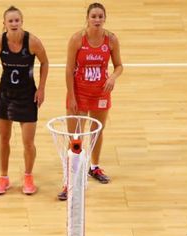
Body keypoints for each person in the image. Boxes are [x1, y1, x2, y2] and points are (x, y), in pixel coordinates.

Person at [0, 5, 49, 196]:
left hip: (27, 96)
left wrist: (42, 88)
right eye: (10, 21)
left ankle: (28, 176)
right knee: (4, 138)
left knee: (28, 141)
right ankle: (3, 178)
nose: (13, 23)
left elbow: (45, 62)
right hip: (6, 95)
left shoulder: (33, 42)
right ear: (4, 24)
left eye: (17, 20)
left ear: (21, 22)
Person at [59, 2, 123, 201]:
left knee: (97, 131)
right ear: (87, 18)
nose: (97, 20)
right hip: (79, 92)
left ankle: (94, 167)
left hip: (100, 93)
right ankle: (71, 174)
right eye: (93, 16)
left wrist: (112, 77)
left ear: (105, 18)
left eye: (100, 16)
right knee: (75, 134)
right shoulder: (77, 39)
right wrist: (72, 95)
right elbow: (69, 69)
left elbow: (119, 65)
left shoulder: (111, 40)